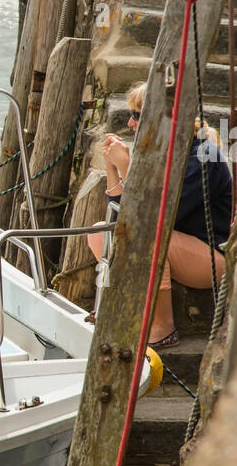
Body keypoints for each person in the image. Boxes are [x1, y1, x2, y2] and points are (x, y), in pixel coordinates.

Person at [88, 84, 233, 347]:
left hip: (214, 259)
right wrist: (112, 167)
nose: (131, 123)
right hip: (176, 248)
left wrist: (127, 166)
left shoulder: (203, 157)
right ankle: (124, 311)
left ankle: (162, 329)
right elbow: (121, 214)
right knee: (101, 233)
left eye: (137, 115)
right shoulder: (160, 151)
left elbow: (156, 215)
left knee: (150, 239)